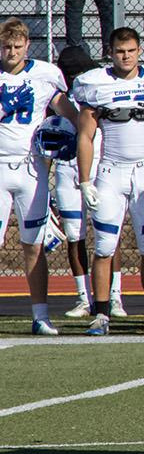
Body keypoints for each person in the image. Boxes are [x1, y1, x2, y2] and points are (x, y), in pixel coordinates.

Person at [72, 27, 144, 335]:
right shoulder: (94, 84)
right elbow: (86, 135)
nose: (125, 56)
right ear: (110, 52)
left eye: (131, 50)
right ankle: (102, 315)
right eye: (120, 51)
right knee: (105, 246)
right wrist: (85, 180)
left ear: (139, 50)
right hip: (111, 172)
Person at [0, 20, 74, 335]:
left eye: (17, 47)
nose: (12, 52)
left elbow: (66, 111)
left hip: (32, 168)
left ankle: (41, 315)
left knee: (34, 244)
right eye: (6, 47)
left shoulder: (45, 74)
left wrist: (75, 134)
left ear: (28, 44)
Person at [49, 46, 115, 320]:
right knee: (75, 235)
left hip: (99, 166)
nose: (76, 79)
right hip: (66, 167)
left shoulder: (101, 92)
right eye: (71, 74)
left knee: (109, 233)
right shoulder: (54, 99)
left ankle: (115, 297)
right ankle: (83, 298)